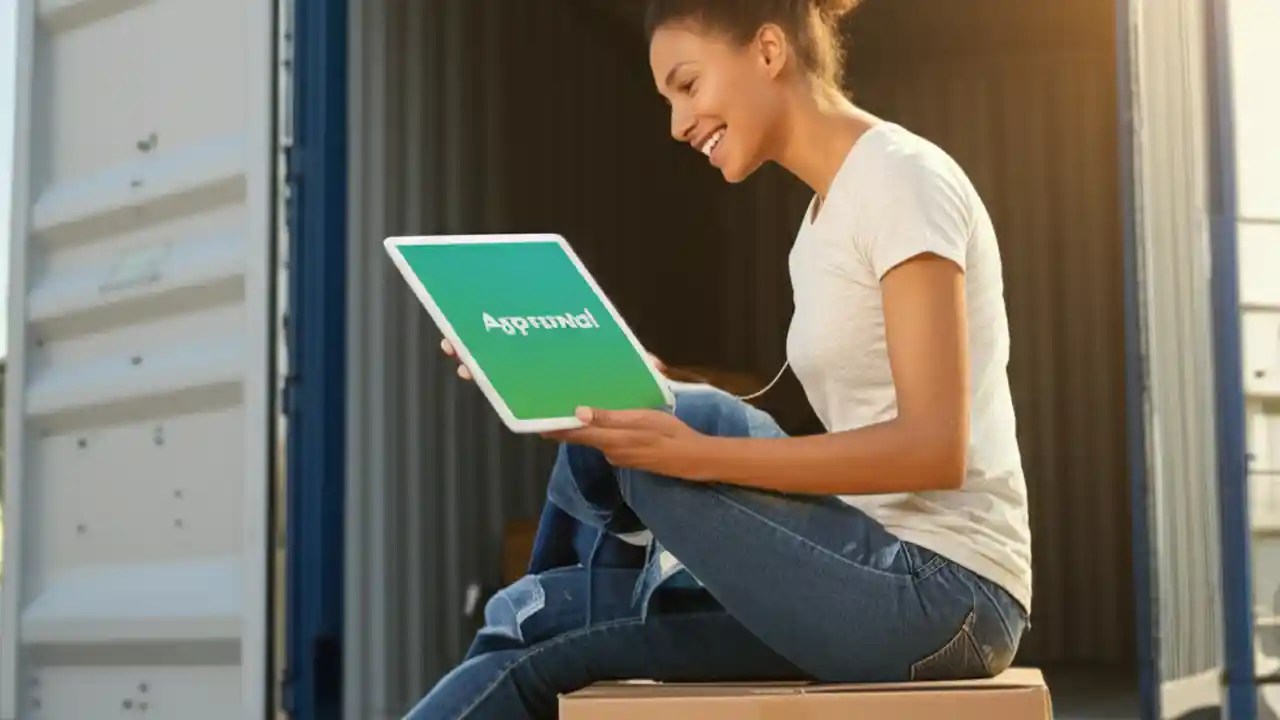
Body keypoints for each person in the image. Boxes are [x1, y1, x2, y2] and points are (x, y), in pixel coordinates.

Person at [406, 0, 1031, 717]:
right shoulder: (823, 222)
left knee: (604, 512)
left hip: (942, 597)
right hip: (863, 564)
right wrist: (643, 380)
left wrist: (694, 455)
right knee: (628, 421)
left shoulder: (901, 179)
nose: (677, 123)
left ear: (769, 52)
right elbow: (805, 428)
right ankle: (561, 598)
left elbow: (932, 449)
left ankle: (562, 598)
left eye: (688, 84)